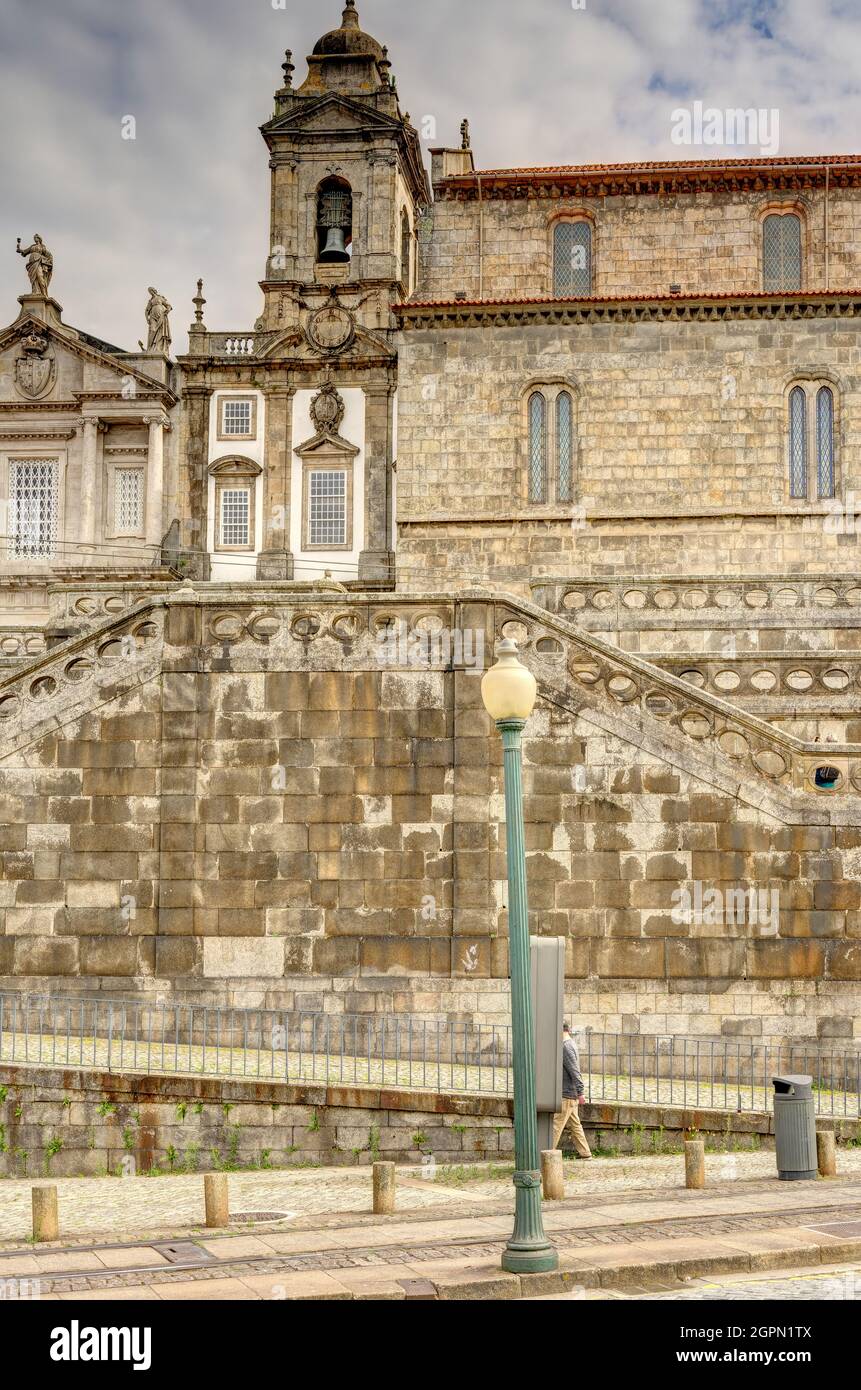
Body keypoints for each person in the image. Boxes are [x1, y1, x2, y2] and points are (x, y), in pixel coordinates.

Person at [552, 1022, 592, 1158]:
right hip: (571, 1093)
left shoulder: (565, 1047)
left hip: (568, 1094)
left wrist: (581, 1092)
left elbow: (575, 1071)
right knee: (575, 1125)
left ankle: (545, 1154)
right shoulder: (571, 1044)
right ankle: (585, 1153)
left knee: (556, 1125)